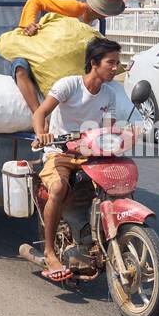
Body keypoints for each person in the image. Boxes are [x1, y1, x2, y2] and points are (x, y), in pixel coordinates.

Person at [30, 37, 130, 282]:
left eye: (117, 63)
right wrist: (41, 134)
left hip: (90, 153)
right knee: (58, 187)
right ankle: (50, 251)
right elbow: (41, 112)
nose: (115, 68)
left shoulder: (108, 94)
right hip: (59, 152)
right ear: (94, 63)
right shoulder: (70, 85)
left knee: (120, 185)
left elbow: (108, 128)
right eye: (111, 62)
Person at [9, 0, 126, 113]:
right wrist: (29, 24)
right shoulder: (75, 8)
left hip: (61, 64)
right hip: (41, 54)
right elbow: (35, 0)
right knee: (20, 66)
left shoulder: (91, 29)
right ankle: (38, 113)